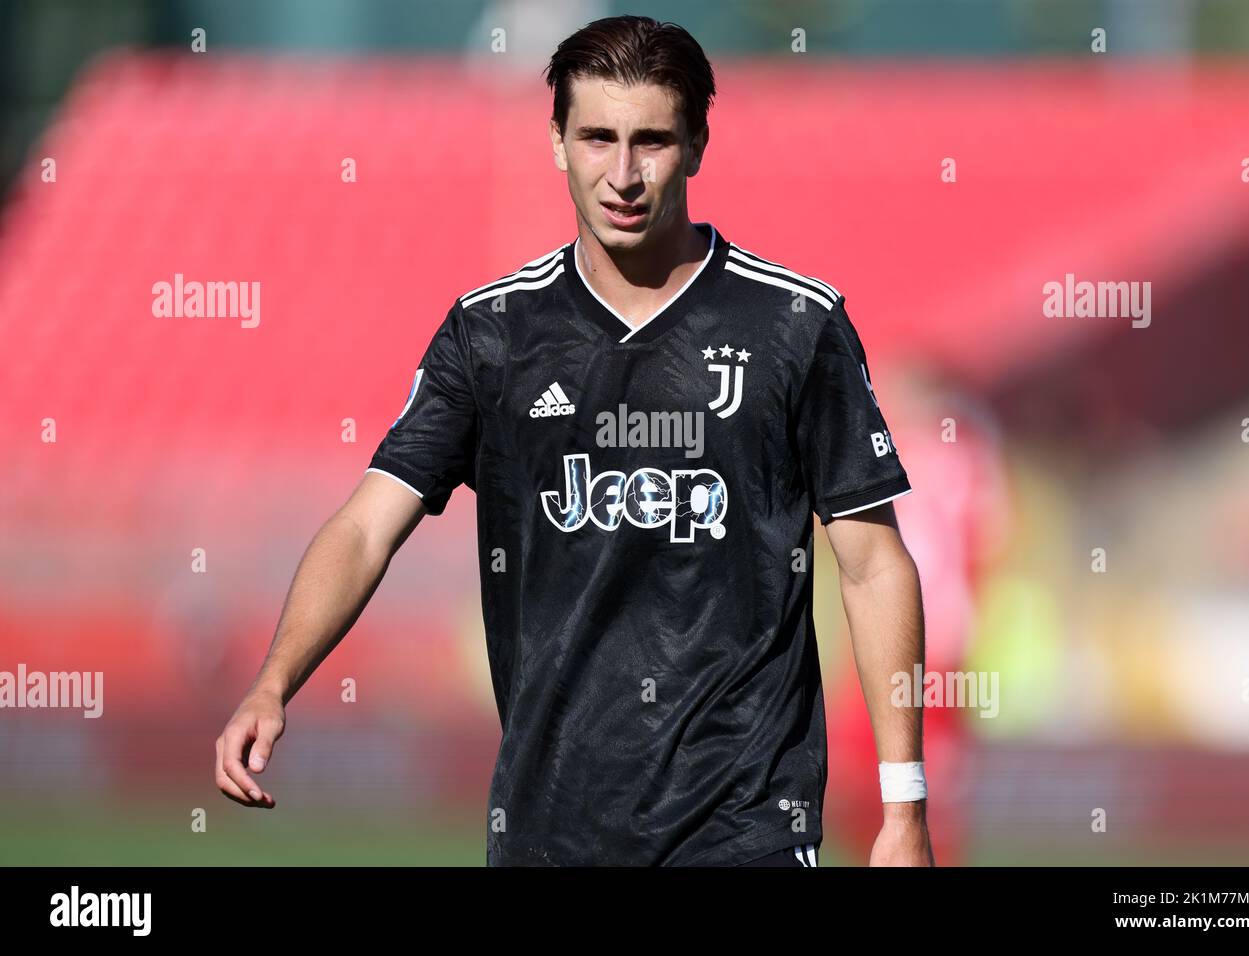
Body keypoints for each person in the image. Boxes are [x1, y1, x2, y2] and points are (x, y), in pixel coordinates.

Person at [215, 14, 933, 867]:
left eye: (652, 141)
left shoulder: (793, 326)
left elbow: (872, 563)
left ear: (699, 145)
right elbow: (368, 525)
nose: (623, 174)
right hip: (548, 827)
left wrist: (904, 809)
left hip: (743, 827)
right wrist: (273, 682)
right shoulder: (492, 335)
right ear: (557, 143)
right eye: (596, 137)